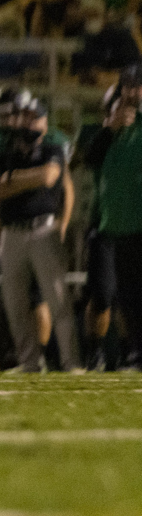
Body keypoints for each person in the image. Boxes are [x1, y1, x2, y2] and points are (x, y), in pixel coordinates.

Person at [0, 91, 78, 372]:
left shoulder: (52, 149)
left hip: (43, 229)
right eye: (24, 117)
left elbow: (50, 177)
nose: (28, 122)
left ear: (44, 122)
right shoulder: (6, 154)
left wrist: (11, 181)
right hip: (12, 233)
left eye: (33, 117)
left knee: (58, 300)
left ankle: (71, 362)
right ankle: (29, 362)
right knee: (15, 304)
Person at [78, 67, 142, 371]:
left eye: (138, 86)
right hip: (118, 224)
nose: (132, 92)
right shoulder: (110, 127)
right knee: (127, 296)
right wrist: (110, 128)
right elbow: (90, 159)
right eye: (128, 86)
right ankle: (135, 353)